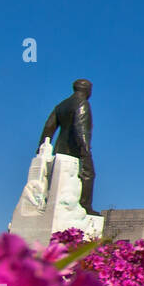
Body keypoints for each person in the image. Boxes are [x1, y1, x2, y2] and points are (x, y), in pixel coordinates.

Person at [39, 78, 98, 215]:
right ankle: (84, 206)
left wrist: (42, 147)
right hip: (75, 149)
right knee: (88, 174)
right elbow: (80, 127)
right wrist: (85, 149)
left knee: (57, 179)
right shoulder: (82, 103)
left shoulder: (61, 106)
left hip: (60, 149)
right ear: (88, 90)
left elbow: (49, 127)